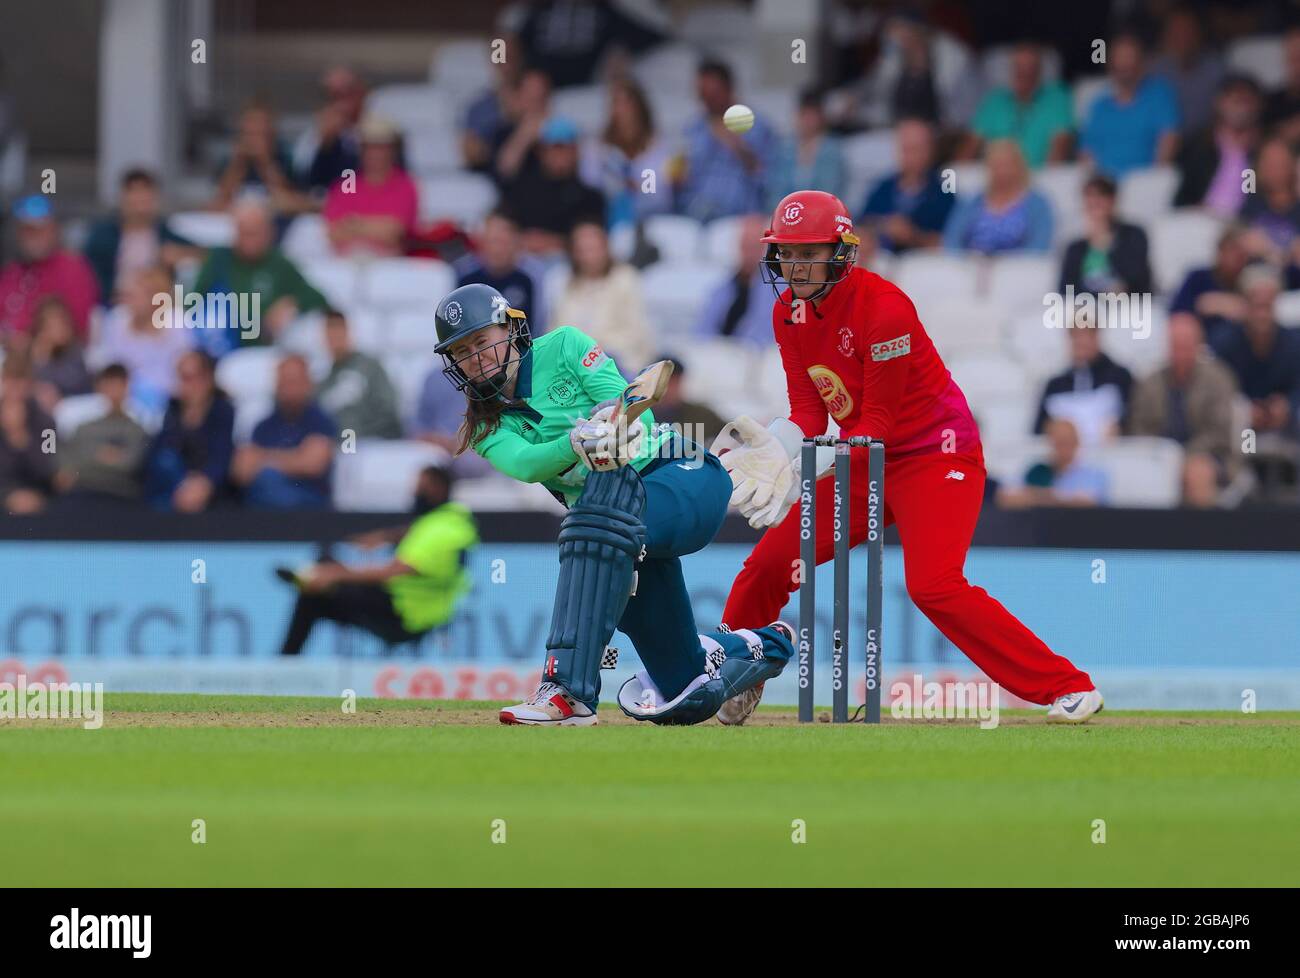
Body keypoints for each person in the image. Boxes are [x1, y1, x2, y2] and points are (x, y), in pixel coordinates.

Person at [714, 190, 1104, 723]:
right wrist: (774, 446)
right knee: (768, 563)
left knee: (934, 586)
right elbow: (810, 411)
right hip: (863, 458)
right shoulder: (789, 315)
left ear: (840, 252)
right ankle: (736, 672)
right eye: (787, 253)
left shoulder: (885, 308)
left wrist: (811, 459)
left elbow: (877, 424)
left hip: (934, 454)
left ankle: (1066, 685)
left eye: (809, 253)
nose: (796, 266)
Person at [432, 282, 794, 726]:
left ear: (510, 329)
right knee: (686, 694)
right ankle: (763, 645)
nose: (476, 358)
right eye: (463, 352)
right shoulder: (484, 428)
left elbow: (619, 395)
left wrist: (609, 421)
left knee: (592, 517)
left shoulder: (565, 345)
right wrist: (575, 440)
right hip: (619, 534)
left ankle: (567, 693)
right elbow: (526, 464)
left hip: (681, 476)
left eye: (482, 341)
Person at [276, 465, 477, 654]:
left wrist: (336, 574)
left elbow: (394, 571)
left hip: (405, 616)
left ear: (437, 489)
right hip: (410, 607)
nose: (415, 494)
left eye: (420, 488)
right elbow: (414, 533)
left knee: (315, 592)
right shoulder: (453, 522)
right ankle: (311, 577)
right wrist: (384, 537)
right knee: (316, 594)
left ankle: (284, 662)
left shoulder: (439, 530)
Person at [1128, 312, 1240, 507]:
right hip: (1158, 457)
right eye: (1175, 346)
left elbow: (1218, 433)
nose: (1180, 353)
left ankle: (1198, 535)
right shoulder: (1150, 383)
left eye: (1185, 347)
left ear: (1198, 346)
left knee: (1197, 473)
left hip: (1210, 456)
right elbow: (1138, 427)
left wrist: (1182, 457)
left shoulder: (1218, 379)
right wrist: (1162, 455)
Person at [193, 198, 328, 351]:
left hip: (266, 348)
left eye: (255, 233)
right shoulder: (220, 259)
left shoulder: (278, 263)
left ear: (269, 232)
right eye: (244, 233)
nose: (248, 241)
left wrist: (292, 302)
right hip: (221, 344)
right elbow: (193, 301)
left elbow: (318, 298)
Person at [674, 60, 780, 222]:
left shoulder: (757, 125)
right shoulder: (693, 128)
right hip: (697, 218)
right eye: (703, 94)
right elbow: (685, 182)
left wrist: (737, 146)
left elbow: (770, 178)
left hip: (739, 219)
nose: (708, 100)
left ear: (728, 89)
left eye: (713, 94)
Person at [232, 354, 337, 510]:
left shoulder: (321, 421)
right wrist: (294, 458)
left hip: (307, 504)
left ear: (308, 384)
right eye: (284, 382)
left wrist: (263, 459)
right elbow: (240, 470)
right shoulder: (263, 425)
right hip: (261, 507)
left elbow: (313, 464)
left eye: (294, 382)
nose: (288, 389)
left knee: (267, 478)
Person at [90, 263, 194, 418]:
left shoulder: (178, 322)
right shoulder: (117, 319)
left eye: (134, 297)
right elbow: (108, 365)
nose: (127, 302)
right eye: (126, 296)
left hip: (167, 400)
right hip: (120, 398)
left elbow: (186, 369)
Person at [550, 221, 652, 373]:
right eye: (581, 250)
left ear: (605, 248)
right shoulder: (564, 281)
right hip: (571, 363)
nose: (588, 256)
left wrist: (594, 351)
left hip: (615, 361)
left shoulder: (626, 278)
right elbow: (555, 329)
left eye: (592, 249)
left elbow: (636, 332)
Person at [82, 168, 195, 303]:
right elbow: (89, 277)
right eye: (135, 193)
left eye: (146, 193)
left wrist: (181, 254)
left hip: (157, 309)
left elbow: (204, 254)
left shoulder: (166, 236)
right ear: (123, 198)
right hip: (113, 306)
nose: (140, 200)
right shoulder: (102, 237)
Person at [1079, 31, 1180, 179]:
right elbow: (1086, 155)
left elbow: (1168, 143)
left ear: (1141, 62)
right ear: (1110, 63)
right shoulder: (1099, 106)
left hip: (1144, 183)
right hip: (1104, 189)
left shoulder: (1160, 95)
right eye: (1119, 58)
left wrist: (1153, 182)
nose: (1124, 64)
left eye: (1130, 57)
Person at [143, 350, 235, 512]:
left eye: (190, 378)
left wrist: (204, 482)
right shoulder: (173, 410)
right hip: (175, 489)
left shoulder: (222, 410)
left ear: (207, 379)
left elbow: (223, 454)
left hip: (209, 489)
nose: (184, 385)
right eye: (181, 378)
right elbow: (160, 452)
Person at [500, 116, 606, 257]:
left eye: (564, 148)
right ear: (542, 152)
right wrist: (521, 240)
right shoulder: (522, 187)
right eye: (554, 148)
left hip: (569, 263)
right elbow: (503, 223)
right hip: (521, 258)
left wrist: (554, 243)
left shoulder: (590, 196)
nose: (559, 154)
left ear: (575, 151)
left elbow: (595, 240)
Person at [0, 195, 99, 341]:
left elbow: (78, 329)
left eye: (40, 229)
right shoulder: (11, 272)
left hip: (55, 357)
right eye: (27, 230)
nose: (33, 237)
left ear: (54, 229)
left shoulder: (73, 269)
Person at [580, 77, 675, 227]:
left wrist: (636, 187)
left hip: (650, 222)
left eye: (628, 103)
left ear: (640, 107)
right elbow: (589, 187)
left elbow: (660, 198)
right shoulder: (597, 149)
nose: (623, 111)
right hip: (607, 223)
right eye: (617, 103)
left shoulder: (656, 148)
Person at [53, 363, 150, 508]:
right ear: (100, 387)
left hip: (121, 496)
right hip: (82, 493)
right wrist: (107, 456)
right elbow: (68, 464)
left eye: (118, 385)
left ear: (127, 388)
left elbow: (130, 464)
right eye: (109, 385)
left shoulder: (136, 430)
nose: (114, 392)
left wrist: (87, 459)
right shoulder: (84, 428)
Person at [963, 41, 1073, 168]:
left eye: (1031, 69)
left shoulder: (1056, 98)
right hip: (997, 178)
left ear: (1040, 71)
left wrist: (1044, 182)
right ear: (1011, 71)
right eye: (1019, 69)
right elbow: (969, 149)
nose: (1025, 74)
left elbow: (1060, 148)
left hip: (1039, 178)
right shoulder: (994, 101)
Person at [322, 115, 419, 258]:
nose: (375, 153)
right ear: (361, 150)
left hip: (390, 265)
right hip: (345, 262)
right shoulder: (347, 183)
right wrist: (376, 226)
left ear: (393, 150)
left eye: (382, 147)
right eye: (370, 147)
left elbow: (393, 233)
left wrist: (353, 223)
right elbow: (334, 233)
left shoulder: (405, 184)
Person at [857, 118, 954, 255]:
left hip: (924, 267)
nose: (911, 156)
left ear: (931, 151)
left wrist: (913, 236)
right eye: (906, 149)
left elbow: (951, 241)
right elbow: (862, 223)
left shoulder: (945, 190)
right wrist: (884, 226)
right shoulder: (884, 186)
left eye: (917, 149)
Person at [1034, 312, 1133, 443]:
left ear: (1097, 336)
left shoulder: (1120, 378)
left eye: (1087, 334)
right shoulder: (1055, 386)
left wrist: (1120, 429)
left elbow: (1134, 421)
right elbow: (1039, 432)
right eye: (1076, 336)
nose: (1081, 342)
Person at [1172, 74, 1261, 216]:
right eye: (1235, 101)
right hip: (1201, 218)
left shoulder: (1261, 149)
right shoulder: (1199, 145)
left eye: (1247, 102)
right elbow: (1183, 194)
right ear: (1220, 102)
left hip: (1242, 223)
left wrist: (1245, 156)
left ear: (1257, 105)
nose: (1241, 109)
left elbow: (1251, 189)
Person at [942, 140, 1053, 254]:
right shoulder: (971, 203)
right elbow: (952, 239)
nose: (1002, 171)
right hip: (972, 267)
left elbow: (1040, 244)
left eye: (1007, 164)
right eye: (996, 164)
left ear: (1019, 166)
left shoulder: (1037, 204)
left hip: (1019, 268)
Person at [210, 102, 311, 218]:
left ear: (271, 133)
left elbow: (292, 201)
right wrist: (238, 164)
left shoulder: (286, 157)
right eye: (248, 134)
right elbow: (218, 203)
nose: (253, 140)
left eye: (259, 133)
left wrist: (265, 163)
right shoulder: (231, 161)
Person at [315, 310, 402, 440]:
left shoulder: (370, 367)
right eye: (330, 331)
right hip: (340, 448)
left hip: (374, 443)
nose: (334, 337)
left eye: (338, 330)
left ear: (348, 333)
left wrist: (359, 434)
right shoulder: (322, 383)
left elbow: (388, 408)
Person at [1058, 175, 1152, 296]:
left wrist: (1105, 241)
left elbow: (1134, 278)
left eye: (1100, 196)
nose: (1095, 202)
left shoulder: (1134, 235)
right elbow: (1065, 288)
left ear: (1112, 200)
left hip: (1130, 307)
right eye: (1089, 197)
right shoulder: (1075, 248)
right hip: (1087, 308)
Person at [692, 212, 776, 346]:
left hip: (752, 358)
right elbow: (703, 329)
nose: (749, 253)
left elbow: (765, 336)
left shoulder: (776, 291)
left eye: (754, 247)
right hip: (716, 354)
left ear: (764, 249)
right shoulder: (721, 288)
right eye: (745, 246)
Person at [452, 210, 544, 324]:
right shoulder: (463, 276)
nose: (497, 250)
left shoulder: (532, 277)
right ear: (481, 242)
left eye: (503, 242)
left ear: (516, 244)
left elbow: (540, 326)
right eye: (492, 241)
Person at [997, 418, 1109, 508]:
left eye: (1066, 441)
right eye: (1058, 442)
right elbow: (1006, 497)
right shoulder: (1037, 471)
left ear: (1077, 442)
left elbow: (1089, 502)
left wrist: (1040, 496)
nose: (1062, 448)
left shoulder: (1093, 475)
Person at [1150, 5, 1225, 133]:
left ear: (1199, 34)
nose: (1183, 37)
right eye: (1176, 32)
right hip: (1162, 139)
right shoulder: (1153, 70)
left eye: (1188, 31)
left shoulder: (1217, 69)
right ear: (1166, 36)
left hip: (1205, 141)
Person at [766, 91, 846, 210]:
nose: (807, 121)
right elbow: (775, 189)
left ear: (821, 118)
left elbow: (830, 192)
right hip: (787, 215)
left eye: (812, 115)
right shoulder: (784, 148)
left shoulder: (832, 150)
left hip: (822, 215)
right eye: (804, 114)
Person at [293, 65, 368, 193]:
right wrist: (324, 144)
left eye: (347, 93)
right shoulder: (314, 135)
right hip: (326, 201)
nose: (341, 103)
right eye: (334, 96)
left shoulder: (375, 127)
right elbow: (302, 178)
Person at [0, 351, 57, 514]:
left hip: (38, 496)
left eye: (21, 381)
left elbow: (48, 467)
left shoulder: (47, 424)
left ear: (31, 384)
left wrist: (21, 436)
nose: (16, 389)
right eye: (11, 380)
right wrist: (8, 496)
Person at [26, 297, 92, 414]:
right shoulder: (26, 353)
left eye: (66, 322)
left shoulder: (74, 351)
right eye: (59, 323)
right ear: (43, 328)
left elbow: (79, 385)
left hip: (72, 409)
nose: (65, 328)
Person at [648, 357, 725, 447]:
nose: (668, 389)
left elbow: (733, 432)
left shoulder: (701, 416)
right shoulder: (638, 417)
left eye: (674, 382)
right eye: (664, 382)